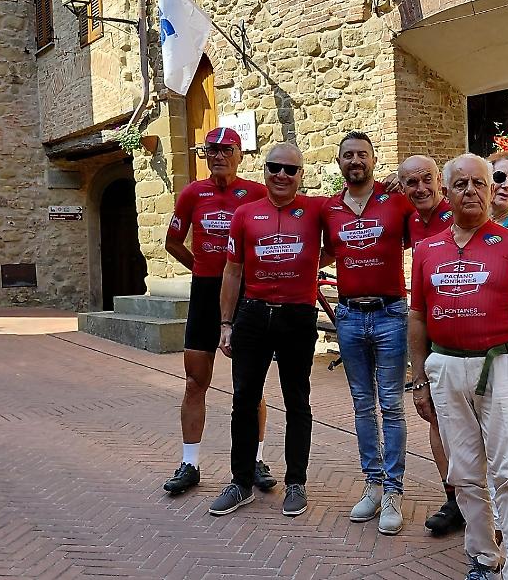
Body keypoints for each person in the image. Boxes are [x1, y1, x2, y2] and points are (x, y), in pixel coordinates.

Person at [408, 153, 508, 580]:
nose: (470, 190)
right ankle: (483, 554)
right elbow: (417, 316)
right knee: (464, 468)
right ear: (445, 192)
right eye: (460, 184)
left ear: (491, 191)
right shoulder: (426, 250)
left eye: (479, 183)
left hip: (502, 364)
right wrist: (419, 379)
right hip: (446, 367)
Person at [210, 143, 328, 518]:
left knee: (298, 399)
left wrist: (314, 263)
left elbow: (353, 218)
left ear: (301, 176)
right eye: (274, 167)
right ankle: (240, 482)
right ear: (264, 170)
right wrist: (226, 323)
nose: (281, 175)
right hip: (253, 316)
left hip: (297, 316)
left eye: (290, 170)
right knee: (244, 398)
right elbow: (232, 270)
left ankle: (296, 482)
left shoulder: (317, 209)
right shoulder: (245, 214)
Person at [162, 127, 277, 495]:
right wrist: (201, 267)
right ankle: (189, 464)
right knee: (196, 381)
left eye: (226, 149)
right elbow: (172, 242)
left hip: (246, 294)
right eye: (211, 149)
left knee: (249, 382)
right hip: (206, 291)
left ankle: (255, 460)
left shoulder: (257, 193)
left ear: (240, 155)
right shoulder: (193, 193)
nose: (218, 155)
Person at [320, 132, 414, 535]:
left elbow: (430, 225)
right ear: (339, 163)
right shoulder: (329, 209)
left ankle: (394, 490)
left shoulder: (397, 201)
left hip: (390, 313)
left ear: (374, 160)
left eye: (362, 154)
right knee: (361, 403)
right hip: (350, 316)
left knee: (391, 403)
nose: (355, 160)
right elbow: (316, 250)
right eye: (348, 155)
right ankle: (372, 484)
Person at [397, 154, 464, 535]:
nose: (420, 189)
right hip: (431, 333)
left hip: (470, 335)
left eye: (427, 180)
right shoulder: (409, 219)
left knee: (476, 423)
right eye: (411, 183)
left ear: (440, 180)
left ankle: (485, 500)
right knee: (436, 419)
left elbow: (498, 198)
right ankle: (454, 498)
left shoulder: (456, 208)